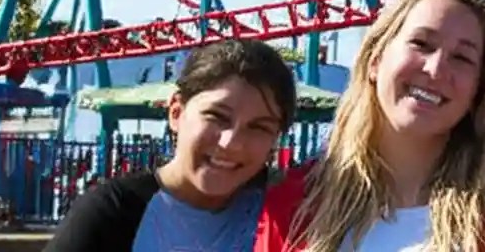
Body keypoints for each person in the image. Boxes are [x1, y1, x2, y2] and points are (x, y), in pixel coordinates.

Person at [253, 0, 485, 252]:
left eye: (462, 58)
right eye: (421, 44)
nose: (436, 69)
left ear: (479, 89)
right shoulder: (294, 202)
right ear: (375, 60)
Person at [45, 39, 298, 251]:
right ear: (176, 112)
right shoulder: (112, 214)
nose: (231, 142)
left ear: (277, 136)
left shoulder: (293, 215)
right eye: (217, 116)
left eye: (258, 127)